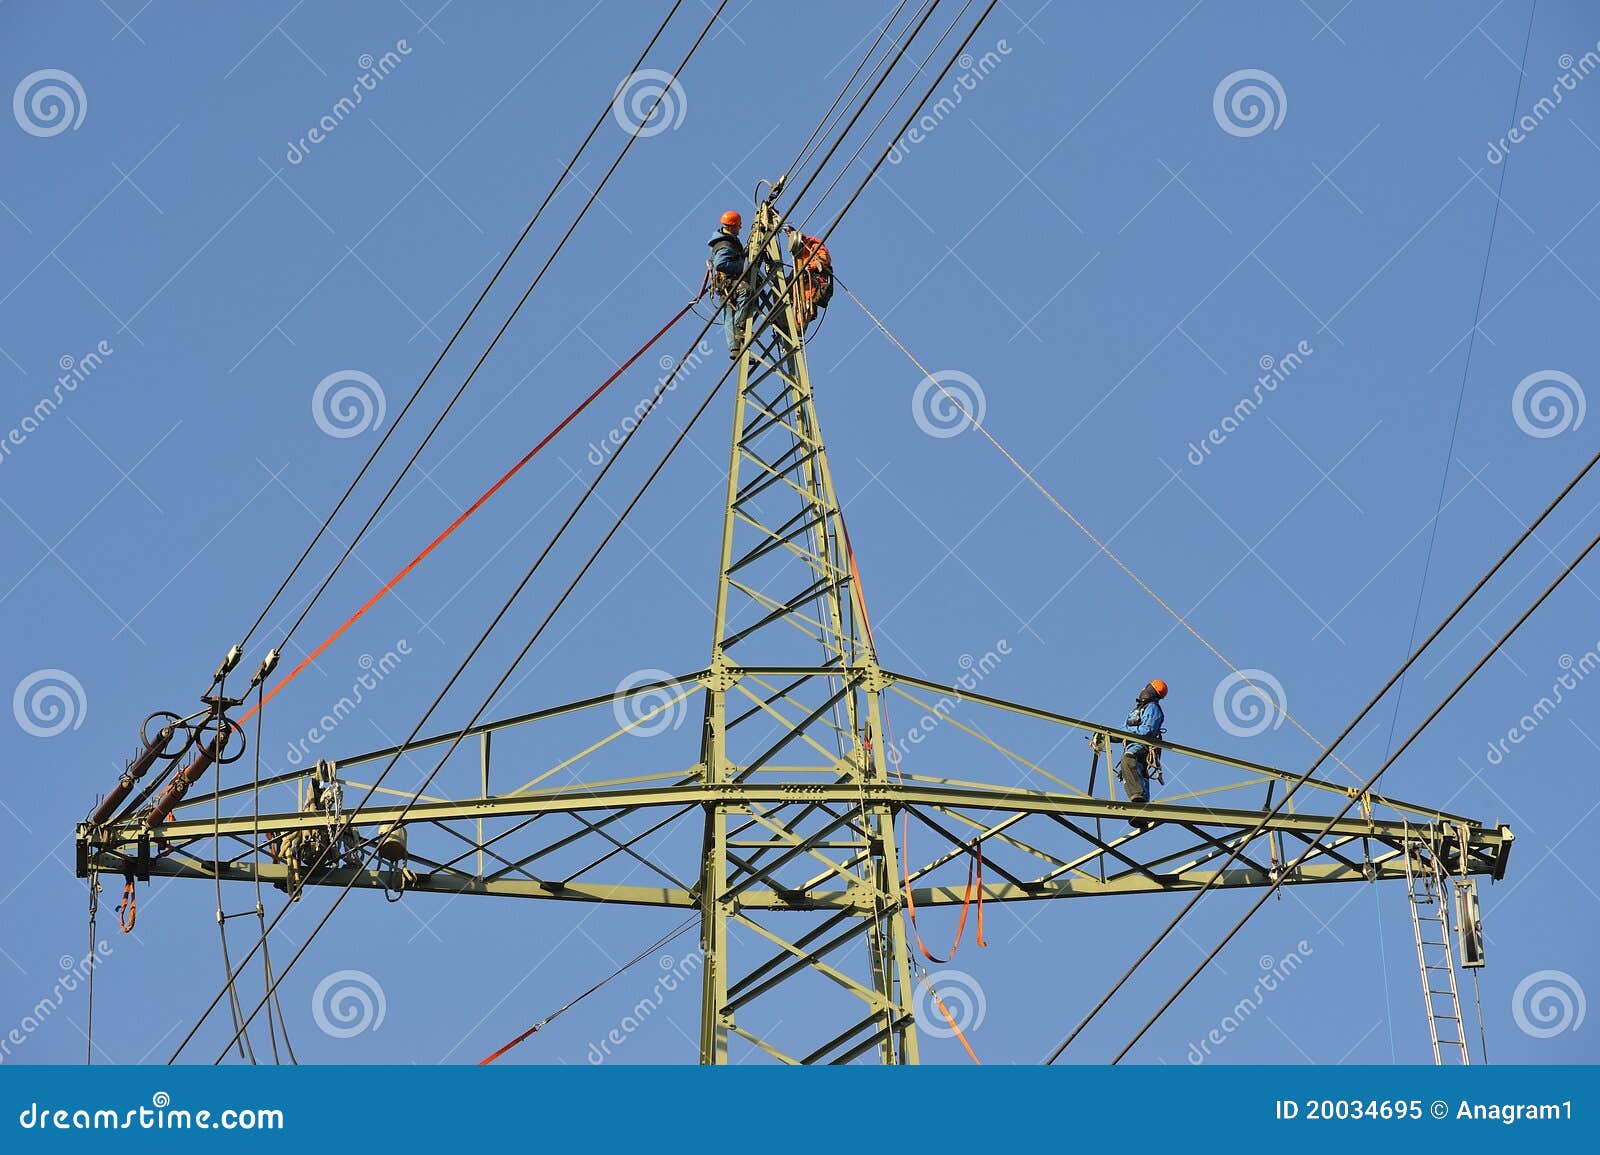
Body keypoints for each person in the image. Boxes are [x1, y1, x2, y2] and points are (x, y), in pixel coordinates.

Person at [1120, 679, 1167, 828]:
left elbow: (1148, 730)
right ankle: (1140, 811)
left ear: (1150, 690)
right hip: (1131, 744)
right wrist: (1104, 735)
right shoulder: (1136, 710)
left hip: (1142, 745)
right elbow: (1121, 730)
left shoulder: (1153, 708)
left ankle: (1139, 799)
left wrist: (1129, 731)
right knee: (1136, 772)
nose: (1142, 689)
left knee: (1129, 759)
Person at [708, 210, 750, 358]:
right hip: (729, 282)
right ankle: (739, 329)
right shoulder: (725, 243)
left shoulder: (728, 240)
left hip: (726, 284)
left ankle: (735, 348)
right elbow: (720, 264)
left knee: (729, 316)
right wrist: (740, 269)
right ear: (731, 226)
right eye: (738, 226)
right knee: (746, 291)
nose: (740, 228)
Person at [784, 226, 834, 335]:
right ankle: (788, 328)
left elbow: (824, 259)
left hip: (812, 284)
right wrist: (780, 282)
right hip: (800, 288)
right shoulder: (799, 258)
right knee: (793, 310)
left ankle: (798, 330)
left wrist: (809, 267)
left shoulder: (813, 245)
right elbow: (792, 278)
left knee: (803, 314)